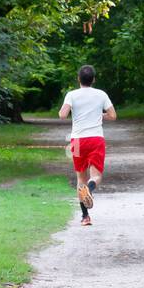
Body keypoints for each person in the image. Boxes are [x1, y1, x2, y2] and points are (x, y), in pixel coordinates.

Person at [59, 65, 117, 226]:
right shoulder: (101, 94)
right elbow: (113, 115)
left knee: (80, 178)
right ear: (93, 79)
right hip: (96, 139)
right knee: (96, 176)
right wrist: (100, 114)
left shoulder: (71, 95)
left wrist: (66, 110)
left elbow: (63, 115)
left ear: (78, 79)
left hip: (77, 140)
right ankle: (89, 190)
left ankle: (85, 217)